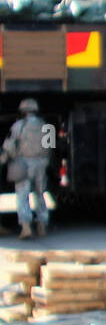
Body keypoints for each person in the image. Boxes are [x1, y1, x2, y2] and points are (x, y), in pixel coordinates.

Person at [3, 99, 51, 240]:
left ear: (23, 111)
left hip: (24, 163)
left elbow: (9, 145)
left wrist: (6, 158)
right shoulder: (46, 125)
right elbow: (51, 148)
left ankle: (26, 227)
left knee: (23, 194)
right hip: (42, 163)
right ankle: (42, 223)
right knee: (40, 193)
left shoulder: (18, 125)